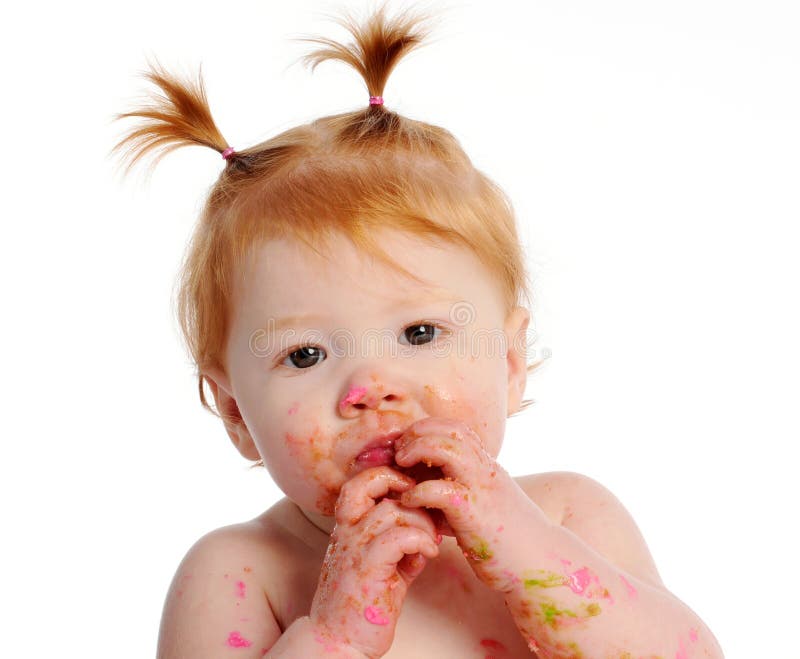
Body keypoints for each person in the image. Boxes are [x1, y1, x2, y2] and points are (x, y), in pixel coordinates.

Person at [113, 5, 723, 658]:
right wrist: (333, 637)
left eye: (421, 332)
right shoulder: (240, 574)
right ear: (234, 410)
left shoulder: (568, 515)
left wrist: (526, 547)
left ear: (511, 363)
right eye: (307, 352)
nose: (372, 388)